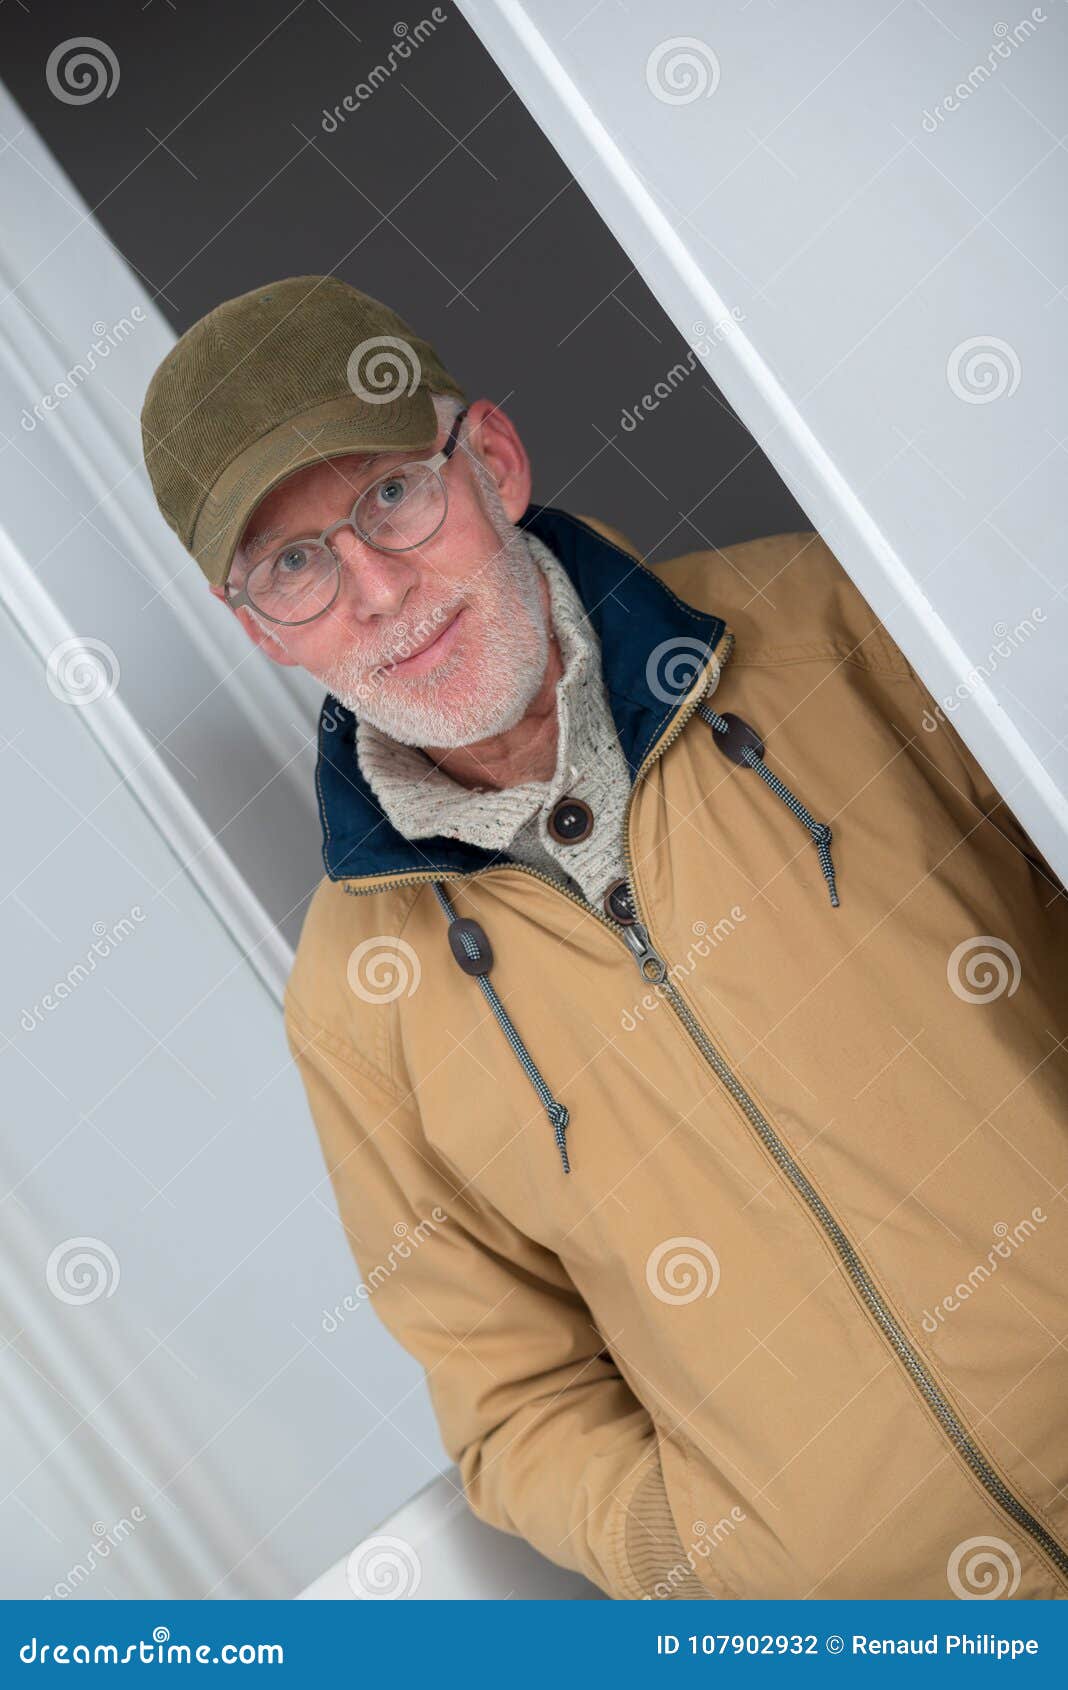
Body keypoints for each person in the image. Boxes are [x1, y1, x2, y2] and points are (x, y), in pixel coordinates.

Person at [141, 274, 1068, 1601]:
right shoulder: (356, 1000)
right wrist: (712, 1557)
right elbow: (512, 1401)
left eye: (392, 496)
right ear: (261, 632)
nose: (379, 588)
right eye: (295, 564)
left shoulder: (830, 624)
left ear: (494, 463)